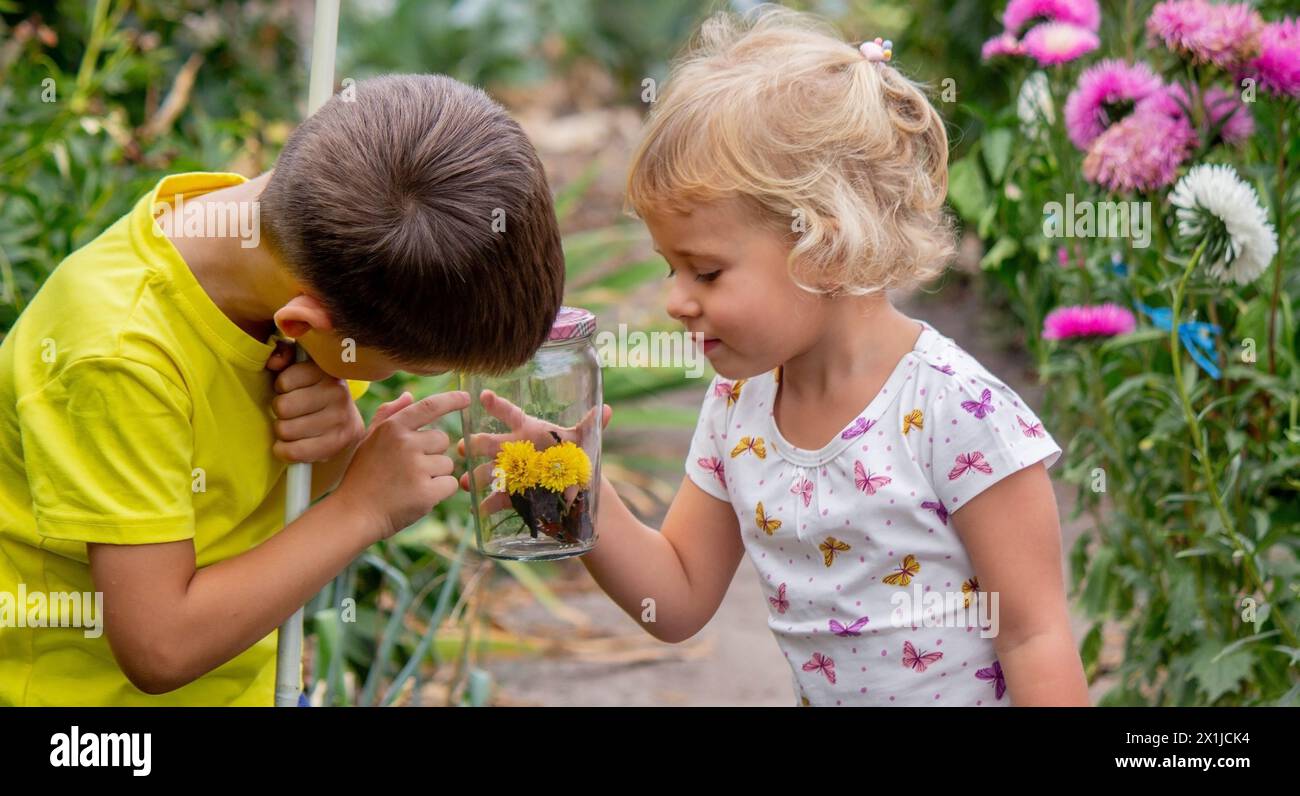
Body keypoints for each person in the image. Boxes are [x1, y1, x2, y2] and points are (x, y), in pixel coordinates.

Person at [462, 7, 1089, 706]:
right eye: (670, 268)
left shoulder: (955, 411)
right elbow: (675, 598)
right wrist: (577, 492)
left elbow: (1034, 638)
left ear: (825, 244)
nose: (675, 300)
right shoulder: (739, 408)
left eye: (705, 272)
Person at [0, 73, 565, 705]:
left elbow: (223, 511)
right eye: (412, 366)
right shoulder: (118, 357)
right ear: (307, 322)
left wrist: (333, 454)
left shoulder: (276, 251)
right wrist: (360, 510)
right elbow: (160, 647)